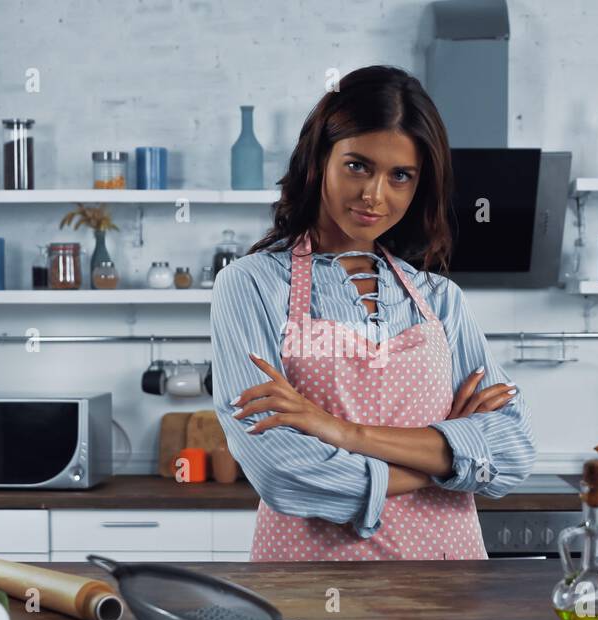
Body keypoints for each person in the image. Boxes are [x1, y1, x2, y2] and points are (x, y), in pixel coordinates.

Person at [210, 65, 534, 560]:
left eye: (399, 176)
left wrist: (342, 432)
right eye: (358, 165)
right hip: (312, 584)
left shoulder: (440, 298)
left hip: (447, 578)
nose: (373, 196)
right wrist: (445, 460)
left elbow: (511, 453)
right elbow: (281, 471)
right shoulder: (251, 285)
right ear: (319, 159)